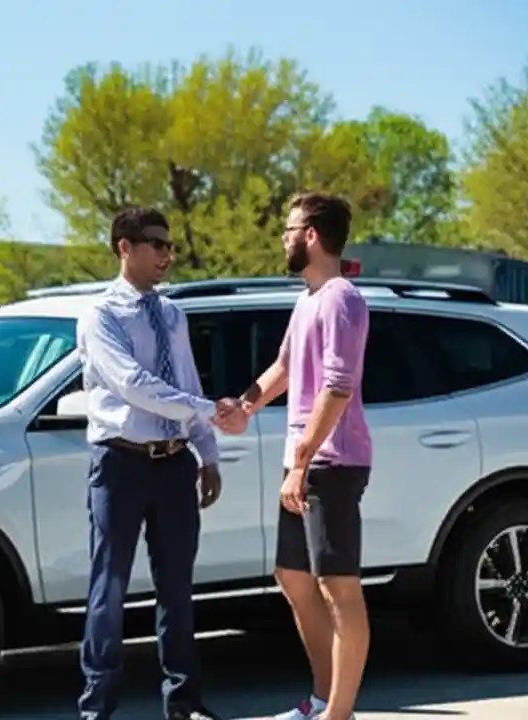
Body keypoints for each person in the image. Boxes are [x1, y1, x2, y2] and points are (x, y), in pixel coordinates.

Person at [75, 206, 237, 720]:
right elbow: (131, 385)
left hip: (173, 465)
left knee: (177, 588)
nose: (167, 254)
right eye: (156, 244)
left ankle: (183, 704)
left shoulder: (171, 312)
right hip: (120, 464)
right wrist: (211, 412)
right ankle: (97, 707)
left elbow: (185, 381)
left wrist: (207, 453)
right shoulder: (101, 314)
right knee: (110, 587)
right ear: (125, 247)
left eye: (170, 246)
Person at [219, 192, 372, 720]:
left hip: (332, 461)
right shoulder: (308, 299)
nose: (283, 239)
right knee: (293, 577)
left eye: (289, 230)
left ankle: (338, 714)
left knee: (338, 587)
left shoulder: (341, 299)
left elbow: (337, 387)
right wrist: (244, 406)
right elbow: (284, 367)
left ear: (311, 235)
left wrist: (303, 462)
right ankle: (324, 699)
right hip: (304, 461)